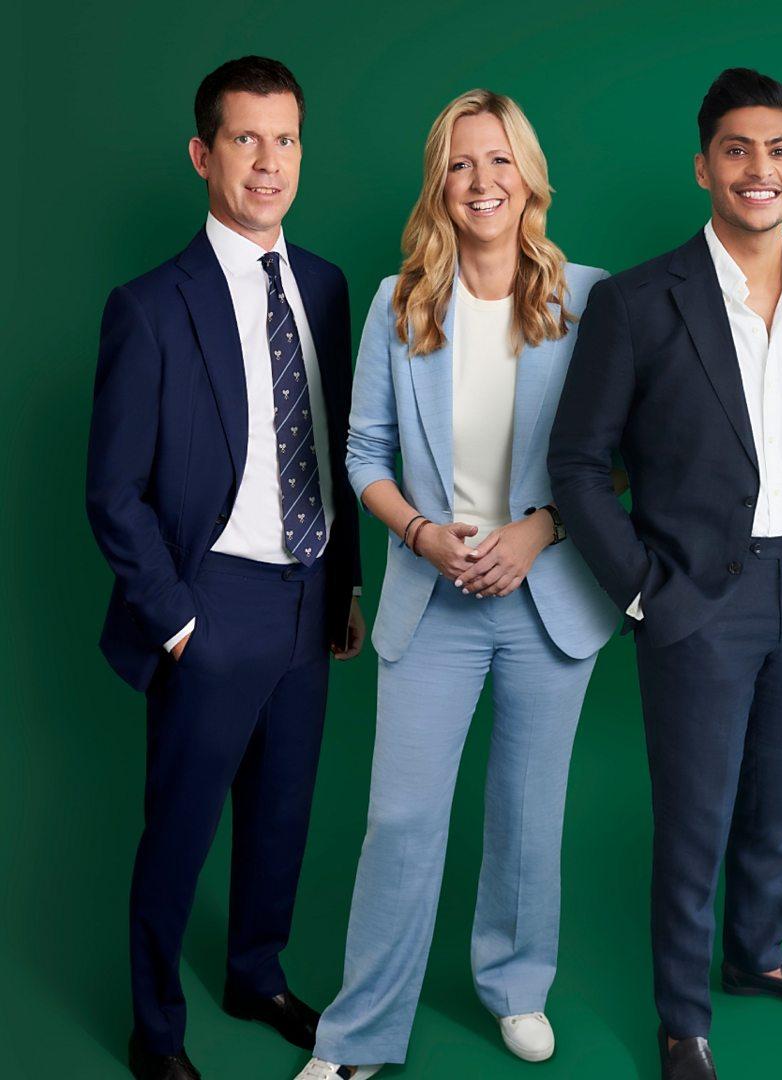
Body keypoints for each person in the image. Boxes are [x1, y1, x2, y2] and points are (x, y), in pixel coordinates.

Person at [290, 89, 620, 1080]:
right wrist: (424, 535)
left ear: (529, 177)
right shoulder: (401, 303)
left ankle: (516, 986)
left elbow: (617, 458)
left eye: (499, 161)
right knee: (400, 816)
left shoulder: (591, 297)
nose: (482, 182)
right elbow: (360, 452)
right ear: (441, 182)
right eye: (461, 163)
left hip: (548, 599)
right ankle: (357, 1041)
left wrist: (538, 530)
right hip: (432, 601)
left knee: (529, 813)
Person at [548, 68, 782, 1080]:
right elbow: (574, 464)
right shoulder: (638, 302)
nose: (758, 169)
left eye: (776, 149)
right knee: (694, 816)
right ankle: (683, 1018)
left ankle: (758, 955)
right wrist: (645, 588)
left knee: (778, 803)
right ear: (704, 167)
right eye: (737, 149)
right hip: (696, 599)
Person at [85, 55, 364, 1080]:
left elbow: (341, 449)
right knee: (181, 831)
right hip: (213, 602)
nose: (267, 162)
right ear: (205, 153)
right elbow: (112, 492)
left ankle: (256, 975)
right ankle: (154, 1031)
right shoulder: (151, 305)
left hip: (308, 598)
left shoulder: (327, 287)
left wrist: (347, 583)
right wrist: (179, 619)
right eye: (245, 139)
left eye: (285, 139)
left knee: (283, 813)